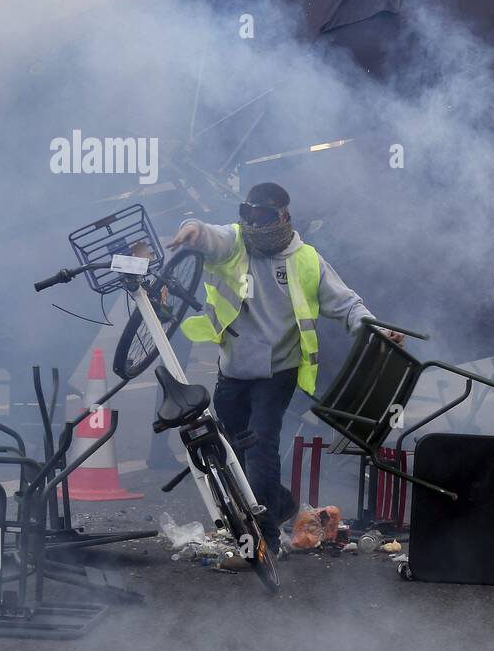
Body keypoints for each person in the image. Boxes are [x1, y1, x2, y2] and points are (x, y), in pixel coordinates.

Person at [169, 182, 404, 554]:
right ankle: (283, 506)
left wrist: (378, 331)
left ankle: (263, 537)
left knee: (261, 449)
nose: (252, 224)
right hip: (232, 371)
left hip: (278, 373)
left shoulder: (306, 259)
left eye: (261, 215)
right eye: (247, 214)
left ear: (282, 216)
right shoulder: (236, 244)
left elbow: (346, 304)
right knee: (233, 456)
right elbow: (211, 235)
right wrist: (193, 228)